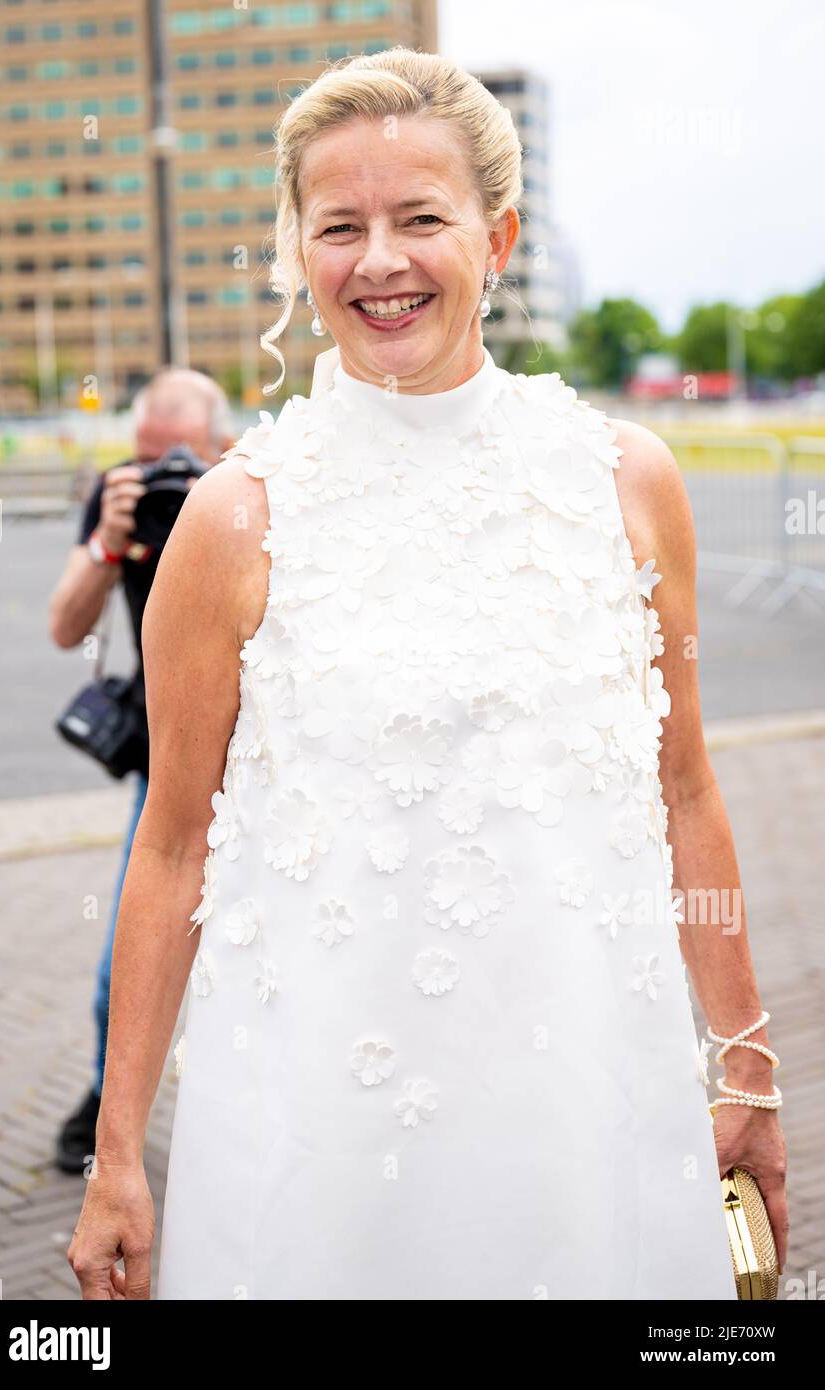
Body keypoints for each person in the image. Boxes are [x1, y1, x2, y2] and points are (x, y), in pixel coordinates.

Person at [67, 47, 788, 1300]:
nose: (378, 261)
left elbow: (681, 791)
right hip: (315, 1135)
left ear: (497, 236)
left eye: (419, 218)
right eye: (338, 226)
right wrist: (116, 1151)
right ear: (299, 251)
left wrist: (743, 1060)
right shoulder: (239, 516)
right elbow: (174, 844)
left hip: (583, 1109)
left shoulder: (625, 483)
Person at [48, 369, 234, 1174]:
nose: (161, 476)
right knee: (129, 952)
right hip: (168, 759)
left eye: (179, 460)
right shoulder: (119, 500)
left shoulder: (250, 486)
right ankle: (103, 1102)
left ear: (221, 445)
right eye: (148, 458)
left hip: (267, 751)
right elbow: (64, 627)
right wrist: (108, 541)